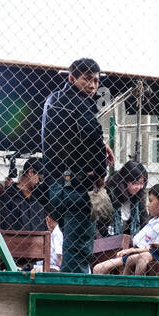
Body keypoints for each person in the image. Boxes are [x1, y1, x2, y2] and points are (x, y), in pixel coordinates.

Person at [41, 58, 112, 273]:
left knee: (70, 248)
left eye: (96, 81)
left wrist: (98, 144)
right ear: (72, 78)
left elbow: (67, 138)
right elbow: (91, 136)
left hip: (56, 187)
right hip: (78, 188)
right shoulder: (81, 104)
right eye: (87, 79)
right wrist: (100, 173)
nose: (92, 85)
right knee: (77, 255)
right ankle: (70, 299)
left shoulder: (53, 100)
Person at [94, 183, 159, 275]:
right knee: (98, 268)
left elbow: (155, 248)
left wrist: (132, 250)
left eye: (151, 201)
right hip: (133, 252)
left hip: (140, 253)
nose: (148, 205)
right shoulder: (154, 221)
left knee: (99, 269)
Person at [0, 158, 47, 232]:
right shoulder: (9, 195)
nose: (39, 182)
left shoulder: (39, 195)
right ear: (31, 172)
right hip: (16, 239)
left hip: (38, 239)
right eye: (39, 178)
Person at [104, 160, 148, 237]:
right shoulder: (110, 193)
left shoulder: (139, 195)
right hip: (107, 238)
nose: (139, 187)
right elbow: (100, 225)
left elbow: (144, 221)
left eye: (142, 184)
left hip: (131, 240)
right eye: (135, 183)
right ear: (125, 180)